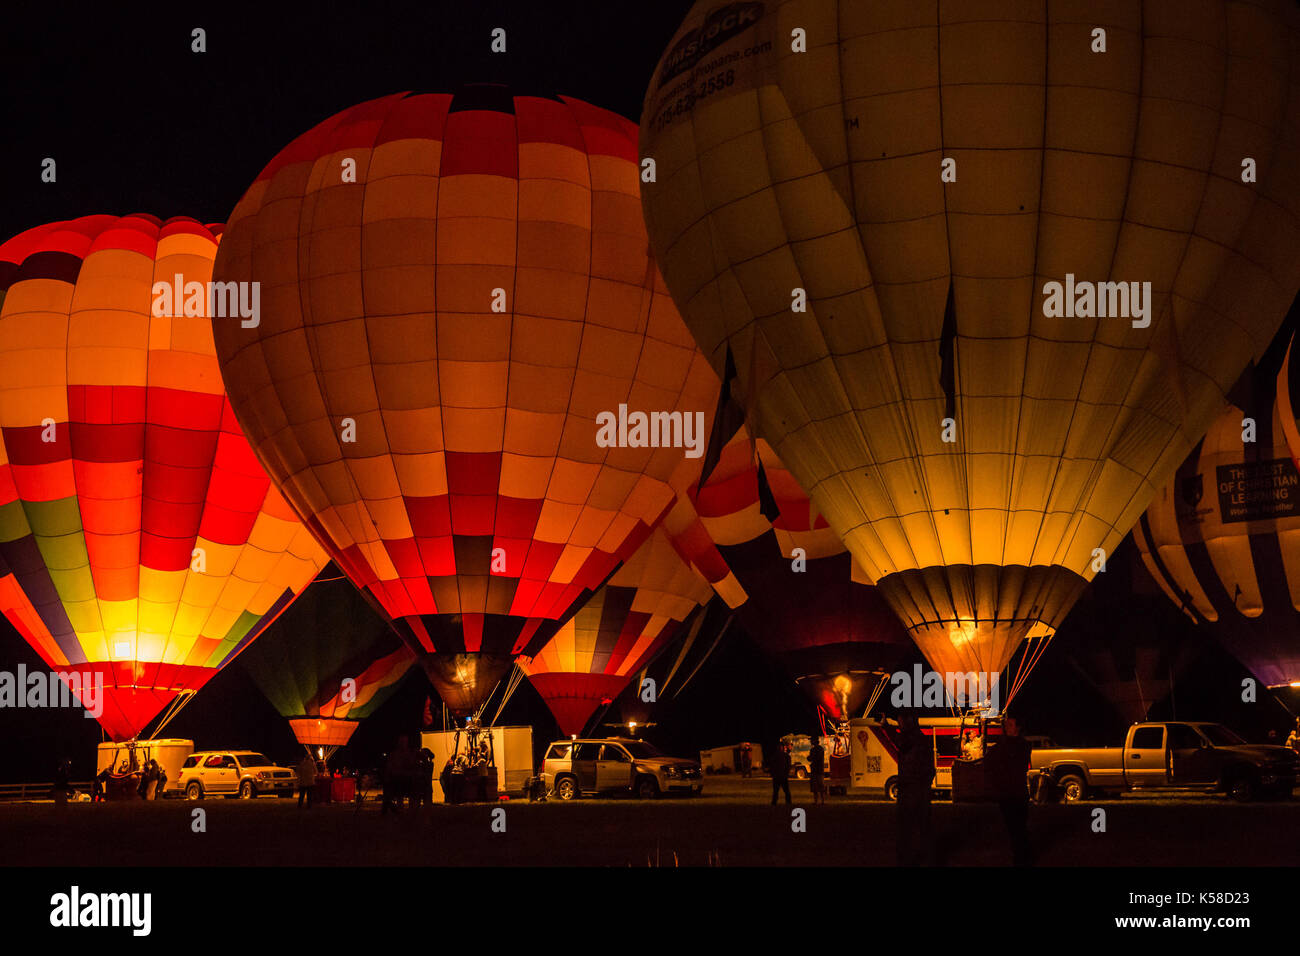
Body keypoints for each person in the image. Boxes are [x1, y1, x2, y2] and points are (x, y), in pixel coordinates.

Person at [987, 715, 1033, 866]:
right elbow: (990, 760)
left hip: (1017, 793)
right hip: (1006, 793)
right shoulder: (1005, 745)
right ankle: (1022, 856)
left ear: (1018, 728)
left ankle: (1022, 858)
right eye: (1006, 725)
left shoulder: (1021, 746)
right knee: (1014, 829)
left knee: (1018, 828)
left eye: (1010, 725)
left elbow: (1007, 758)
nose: (1006, 727)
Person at [893, 713, 934, 866]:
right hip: (922, 789)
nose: (899, 725)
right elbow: (931, 768)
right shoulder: (924, 738)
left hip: (910, 789)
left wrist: (886, 727)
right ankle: (928, 857)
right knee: (924, 827)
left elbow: (902, 744)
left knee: (906, 829)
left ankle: (907, 859)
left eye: (900, 722)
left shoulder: (909, 739)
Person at [769, 740, 792, 806]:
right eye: (779, 746)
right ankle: (775, 802)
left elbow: (788, 766)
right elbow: (772, 766)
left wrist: (786, 774)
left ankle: (787, 802)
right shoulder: (776, 756)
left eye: (781, 746)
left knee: (785, 791)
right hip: (778, 776)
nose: (780, 748)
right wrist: (773, 773)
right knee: (777, 791)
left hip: (782, 776)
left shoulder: (785, 756)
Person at [808, 736, 826, 805]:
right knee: (821, 787)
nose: (810, 742)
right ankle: (822, 801)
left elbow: (811, 758)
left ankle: (816, 801)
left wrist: (809, 757)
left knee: (815, 788)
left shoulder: (813, 750)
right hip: (820, 770)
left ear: (814, 741)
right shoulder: (821, 749)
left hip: (815, 770)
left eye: (811, 740)